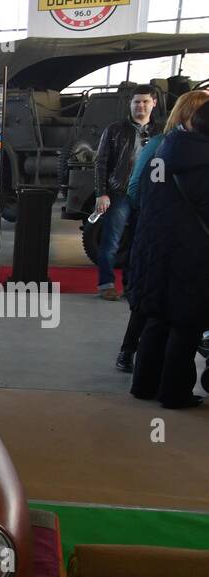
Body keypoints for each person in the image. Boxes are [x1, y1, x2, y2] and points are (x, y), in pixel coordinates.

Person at [115, 89, 209, 372]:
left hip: (162, 237)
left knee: (156, 308)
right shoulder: (163, 145)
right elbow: (135, 189)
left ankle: (143, 372)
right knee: (156, 309)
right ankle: (128, 350)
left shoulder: (170, 144)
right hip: (166, 237)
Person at [93, 84, 157, 300]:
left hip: (147, 195)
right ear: (130, 104)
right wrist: (101, 193)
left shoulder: (160, 132)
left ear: (153, 103)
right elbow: (101, 163)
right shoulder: (114, 130)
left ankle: (132, 286)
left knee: (140, 243)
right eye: (136, 101)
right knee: (112, 241)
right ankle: (106, 284)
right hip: (119, 193)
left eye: (145, 101)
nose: (140, 105)